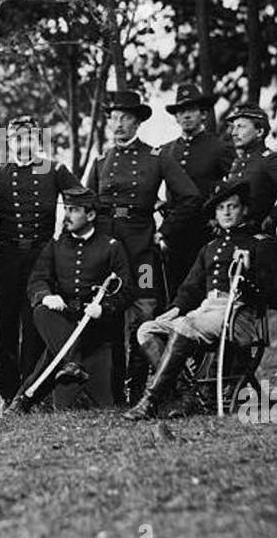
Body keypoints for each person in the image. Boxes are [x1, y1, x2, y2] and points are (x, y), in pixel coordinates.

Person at [125, 178, 277, 421]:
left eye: (232, 206)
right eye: (221, 208)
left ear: (244, 210)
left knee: (184, 326)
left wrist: (248, 282)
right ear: (215, 215)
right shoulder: (210, 247)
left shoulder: (259, 244)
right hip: (207, 310)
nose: (227, 212)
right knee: (147, 329)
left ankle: (150, 401)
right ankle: (188, 394)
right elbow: (190, 288)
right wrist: (176, 308)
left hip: (239, 314)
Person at [83, 88, 201, 406]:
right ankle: (112, 392)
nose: (119, 124)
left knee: (144, 312)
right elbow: (85, 204)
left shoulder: (156, 157)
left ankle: (141, 391)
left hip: (142, 251)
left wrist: (165, 231)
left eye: (126, 118)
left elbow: (190, 197)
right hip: (108, 251)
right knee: (107, 317)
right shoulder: (99, 161)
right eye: (114, 118)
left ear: (137, 123)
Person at [0, 114, 80, 409]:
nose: (22, 144)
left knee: (34, 323)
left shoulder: (54, 170)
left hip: (41, 257)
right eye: (16, 138)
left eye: (28, 138)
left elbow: (83, 201)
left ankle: (32, 391)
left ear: (37, 140)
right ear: (8, 142)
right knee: (4, 325)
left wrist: (62, 241)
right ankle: (7, 392)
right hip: (8, 256)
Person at [12, 188, 133, 411]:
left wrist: (104, 308)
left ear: (90, 215)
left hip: (94, 324)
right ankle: (73, 363)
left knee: (58, 349)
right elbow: (37, 279)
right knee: (41, 311)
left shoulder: (111, 246)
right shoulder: (56, 244)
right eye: (66, 209)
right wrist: (47, 296)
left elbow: (126, 290)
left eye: (74, 210)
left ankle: (24, 400)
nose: (67, 215)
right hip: (65, 318)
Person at [159, 83, 232, 288]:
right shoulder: (166, 151)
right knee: (173, 289)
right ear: (176, 117)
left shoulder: (219, 148)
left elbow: (235, 183)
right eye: (181, 111)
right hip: (174, 233)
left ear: (203, 114)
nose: (186, 116)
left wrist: (220, 218)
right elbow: (146, 183)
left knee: (201, 290)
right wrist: (157, 202)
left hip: (205, 231)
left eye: (191, 110)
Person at [224, 103, 277, 232]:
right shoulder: (237, 162)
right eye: (233, 127)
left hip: (256, 235)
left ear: (259, 131)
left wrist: (274, 216)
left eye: (241, 127)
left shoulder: (270, 160)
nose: (234, 133)